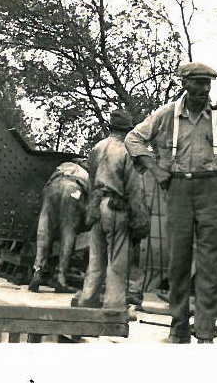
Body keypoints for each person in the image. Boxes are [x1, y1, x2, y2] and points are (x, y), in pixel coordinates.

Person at [125, 62, 217, 344]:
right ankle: (178, 328)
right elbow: (133, 139)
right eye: (199, 83)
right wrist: (156, 171)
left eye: (208, 83)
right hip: (178, 188)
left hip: (213, 188)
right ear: (185, 84)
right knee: (178, 261)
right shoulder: (167, 115)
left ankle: (205, 329)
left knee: (209, 262)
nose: (205, 89)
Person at [77, 109, 149, 310]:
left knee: (95, 257)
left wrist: (92, 204)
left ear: (110, 127)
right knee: (117, 260)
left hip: (96, 205)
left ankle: (87, 299)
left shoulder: (98, 147)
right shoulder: (126, 152)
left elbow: (90, 177)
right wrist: (140, 218)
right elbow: (134, 189)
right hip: (116, 207)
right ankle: (114, 305)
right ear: (128, 130)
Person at [28, 160, 89, 293]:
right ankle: (61, 279)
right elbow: (87, 210)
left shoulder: (64, 165)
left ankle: (37, 272)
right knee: (68, 233)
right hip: (74, 190)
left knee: (44, 229)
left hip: (52, 187)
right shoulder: (86, 175)